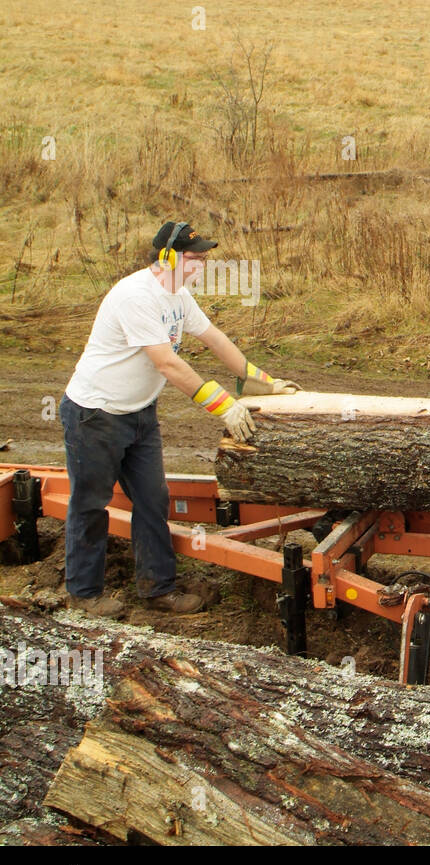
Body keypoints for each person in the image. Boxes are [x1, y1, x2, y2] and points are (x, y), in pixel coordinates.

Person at [60, 220, 301, 618]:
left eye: (204, 259)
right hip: (95, 416)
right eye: (194, 258)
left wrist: (259, 380)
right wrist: (224, 405)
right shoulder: (136, 297)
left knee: (153, 500)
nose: (201, 265)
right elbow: (168, 364)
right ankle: (84, 595)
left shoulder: (178, 295)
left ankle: (158, 589)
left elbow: (214, 338)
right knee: (90, 504)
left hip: (139, 413)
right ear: (168, 257)